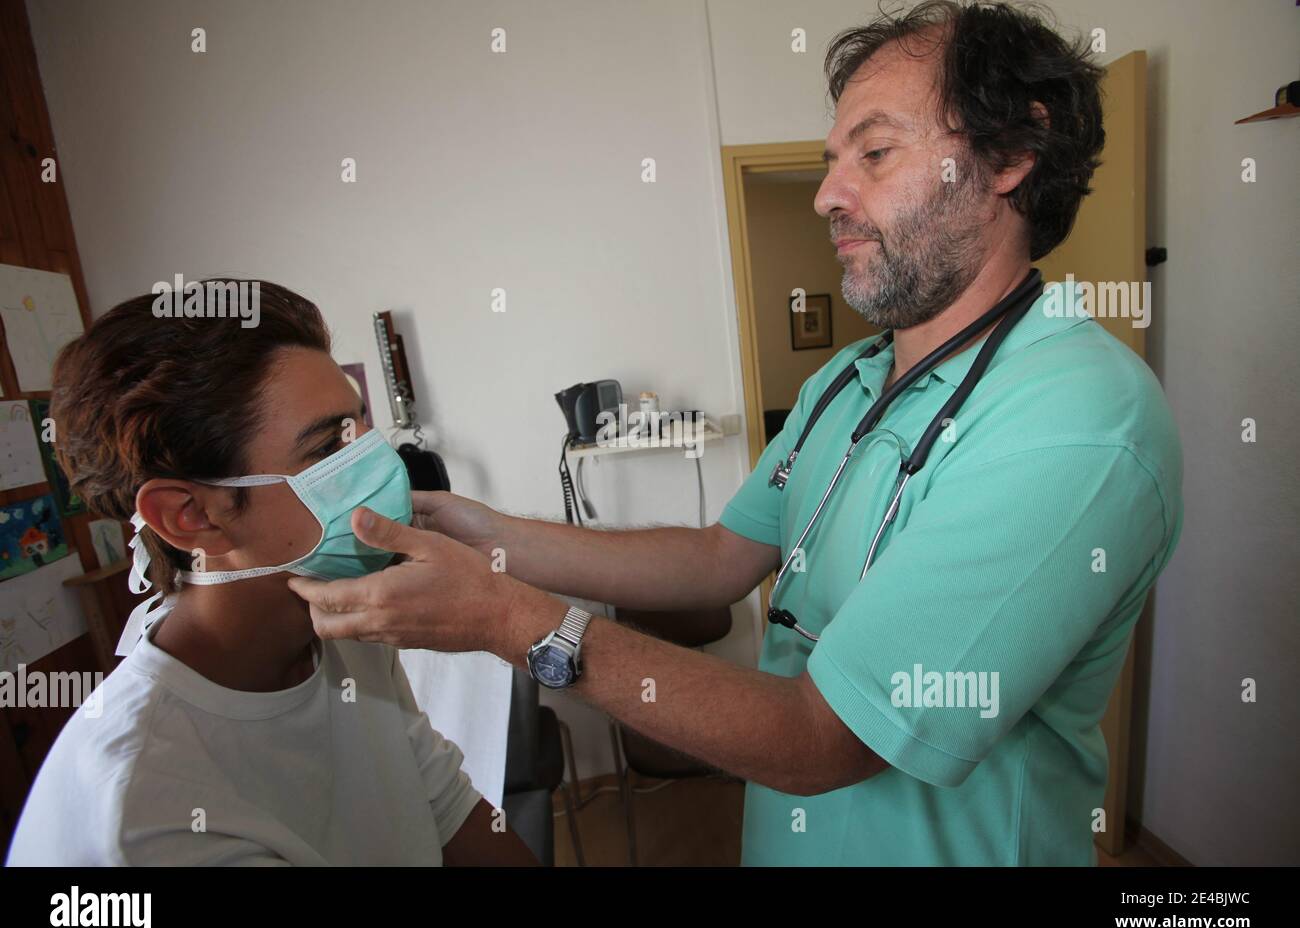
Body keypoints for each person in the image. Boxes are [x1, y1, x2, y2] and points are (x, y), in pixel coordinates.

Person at [290, 0, 1183, 866]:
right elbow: (722, 556)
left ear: (1011, 157)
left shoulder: (1076, 421)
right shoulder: (847, 378)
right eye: (837, 159)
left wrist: (506, 621)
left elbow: (820, 739)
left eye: (874, 151)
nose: (829, 193)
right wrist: (490, 540)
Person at [6, 281, 535, 866]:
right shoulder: (149, 816)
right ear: (190, 515)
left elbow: (447, 807)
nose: (380, 465)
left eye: (361, 429)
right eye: (328, 449)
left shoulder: (344, 634)